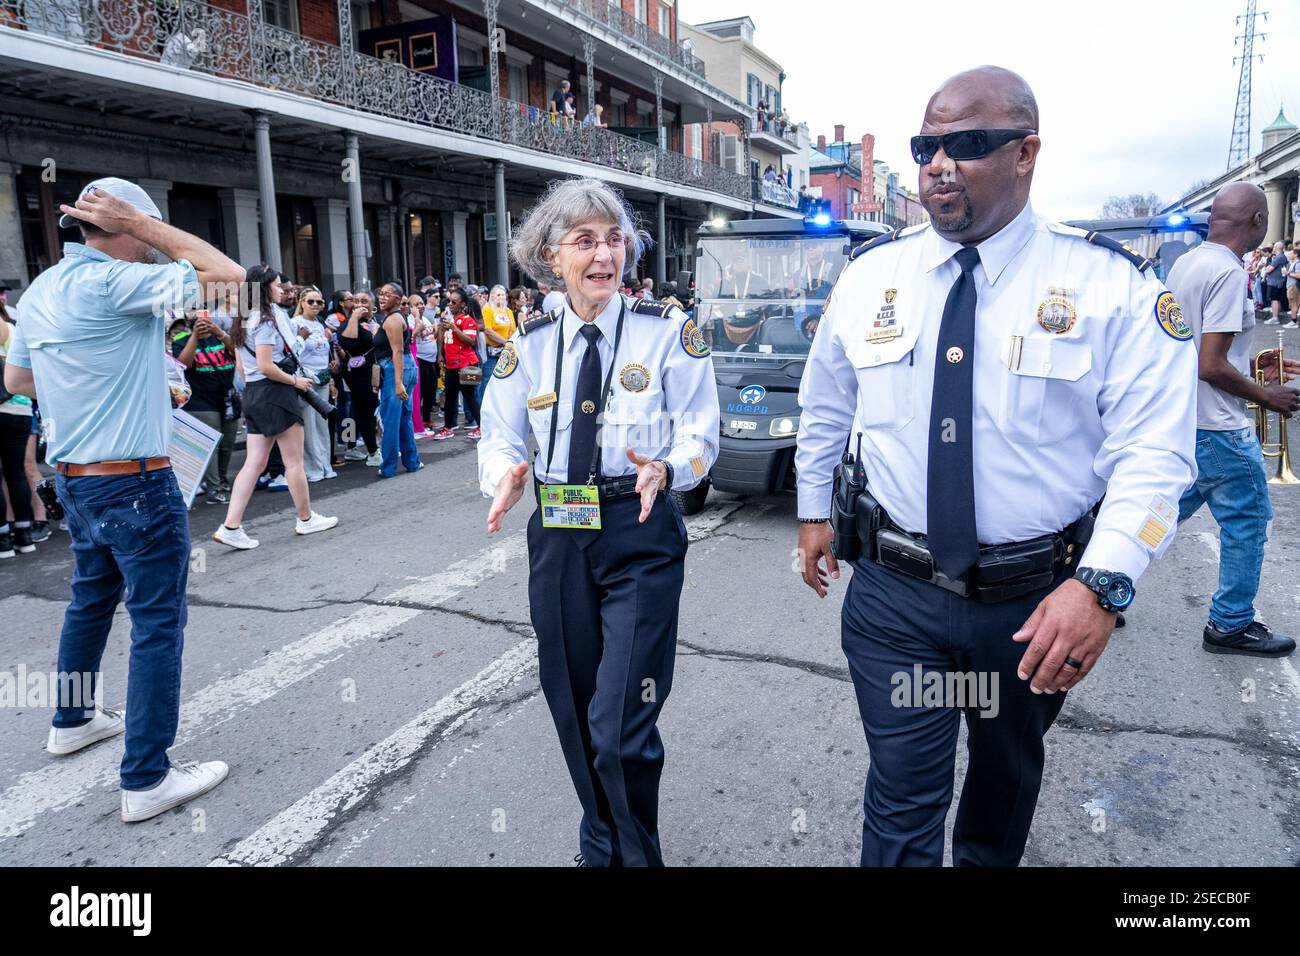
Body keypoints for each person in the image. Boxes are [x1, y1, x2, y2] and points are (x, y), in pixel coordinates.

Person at [794, 67, 1197, 867]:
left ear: (1027, 153)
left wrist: (1102, 587)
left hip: (1035, 605)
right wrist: (814, 512)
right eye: (927, 145)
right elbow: (826, 404)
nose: (939, 163)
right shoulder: (874, 275)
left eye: (967, 144)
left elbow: (1156, 458)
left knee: (1003, 784)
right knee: (904, 792)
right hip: (896, 601)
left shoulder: (1109, 288)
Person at [479, 176, 719, 866]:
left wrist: (669, 468)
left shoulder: (666, 331)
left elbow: (702, 427)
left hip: (638, 529)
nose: (604, 254)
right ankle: (601, 839)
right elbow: (497, 432)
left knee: (620, 723)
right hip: (557, 530)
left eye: (614, 238)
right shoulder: (526, 343)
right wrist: (505, 477)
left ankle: (634, 856)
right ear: (552, 256)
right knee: (574, 707)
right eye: (585, 240)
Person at [2, 176, 245, 821]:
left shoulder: (41, 288)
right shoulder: (116, 281)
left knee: (89, 604)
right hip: (135, 479)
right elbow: (229, 276)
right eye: (143, 233)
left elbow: (19, 377)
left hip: (77, 478)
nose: (152, 249)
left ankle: (73, 718)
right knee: (157, 622)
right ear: (126, 226)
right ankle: (145, 777)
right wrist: (144, 225)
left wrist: (103, 380)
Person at [1168, 183, 1298, 657]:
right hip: (1219, 426)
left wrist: (1254, 366)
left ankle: (1101, 588)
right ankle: (1230, 623)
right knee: (1247, 522)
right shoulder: (1227, 273)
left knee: (1162, 514)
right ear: (1259, 222)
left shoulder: (1187, 262)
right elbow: (1211, 364)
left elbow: (1197, 347)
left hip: (1187, 419)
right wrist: (1267, 396)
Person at [213, 265, 338, 550]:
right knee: (293, 461)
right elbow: (267, 366)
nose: (281, 288)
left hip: (256, 395)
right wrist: (295, 381)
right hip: (275, 393)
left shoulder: (244, 318)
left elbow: (247, 367)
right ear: (264, 287)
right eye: (277, 284)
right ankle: (305, 519)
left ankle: (231, 525)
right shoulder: (267, 320)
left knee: (254, 463)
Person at [171, 305, 239, 503]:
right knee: (213, 444)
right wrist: (194, 338)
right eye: (195, 313)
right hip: (201, 401)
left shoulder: (221, 336)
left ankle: (223, 479)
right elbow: (183, 364)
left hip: (227, 398)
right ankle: (213, 488)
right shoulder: (181, 340)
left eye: (203, 312)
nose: (201, 316)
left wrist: (220, 333)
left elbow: (237, 352)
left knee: (227, 443)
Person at [373, 282, 422, 477]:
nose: (382, 297)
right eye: (381, 294)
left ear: (397, 298)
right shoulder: (393, 317)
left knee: (391, 420)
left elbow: (398, 351)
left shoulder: (393, 320)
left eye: (387, 294)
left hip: (396, 369)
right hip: (403, 367)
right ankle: (411, 462)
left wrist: (398, 382)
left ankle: (388, 467)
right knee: (403, 418)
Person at [0, 307, 36, 558]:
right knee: (16, 472)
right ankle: (24, 534)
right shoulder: (12, 328)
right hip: (21, 409)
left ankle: (3, 538)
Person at [291, 286, 336, 482]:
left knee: (322, 424)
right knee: (308, 426)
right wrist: (302, 337)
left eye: (320, 302)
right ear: (302, 302)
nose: (316, 305)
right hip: (306, 380)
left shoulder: (319, 323)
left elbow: (324, 353)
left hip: (323, 378)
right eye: (311, 301)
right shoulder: (294, 323)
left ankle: (326, 465)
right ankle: (313, 468)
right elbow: (292, 353)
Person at [432, 287, 483, 440]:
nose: (450, 304)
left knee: (469, 396)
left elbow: (471, 341)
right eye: (448, 301)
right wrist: (440, 354)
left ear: (462, 304)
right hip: (451, 364)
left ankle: (482, 427)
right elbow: (441, 334)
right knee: (450, 396)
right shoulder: (448, 318)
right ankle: (448, 427)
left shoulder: (467, 320)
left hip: (466, 364)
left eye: (454, 301)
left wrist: (454, 328)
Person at [339, 289, 382, 465]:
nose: (359, 305)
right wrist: (354, 318)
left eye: (364, 301)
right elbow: (347, 342)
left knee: (372, 411)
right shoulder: (348, 323)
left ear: (373, 305)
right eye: (355, 301)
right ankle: (355, 447)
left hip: (377, 371)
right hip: (356, 376)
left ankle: (361, 445)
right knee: (355, 411)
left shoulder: (377, 322)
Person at [479, 284, 517, 407]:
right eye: (498, 294)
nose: (501, 297)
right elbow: (488, 330)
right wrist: (505, 342)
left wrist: (510, 342)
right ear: (492, 296)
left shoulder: (508, 311)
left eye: (503, 294)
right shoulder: (487, 309)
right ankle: (485, 407)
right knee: (488, 379)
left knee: (505, 379)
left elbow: (513, 329)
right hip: (491, 350)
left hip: (505, 351)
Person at [415, 289, 443, 435]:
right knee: (420, 392)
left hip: (431, 358)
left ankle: (426, 419)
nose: (420, 306)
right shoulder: (411, 320)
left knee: (431, 391)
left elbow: (434, 335)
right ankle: (418, 422)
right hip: (420, 359)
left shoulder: (426, 319)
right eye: (416, 304)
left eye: (421, 303)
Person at [1263, 241, 1289, 324]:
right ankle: (1276, 316)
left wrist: (1267, 269)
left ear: (1277, 248)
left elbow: (1269, 269)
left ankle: (1275, 318)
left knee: (1274, 299)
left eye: (1274, 247)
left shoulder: (1279, 257)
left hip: (1275, 282)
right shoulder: (1282, 256)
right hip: (1278, 281)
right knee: (1277, 299)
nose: (1273, 248)